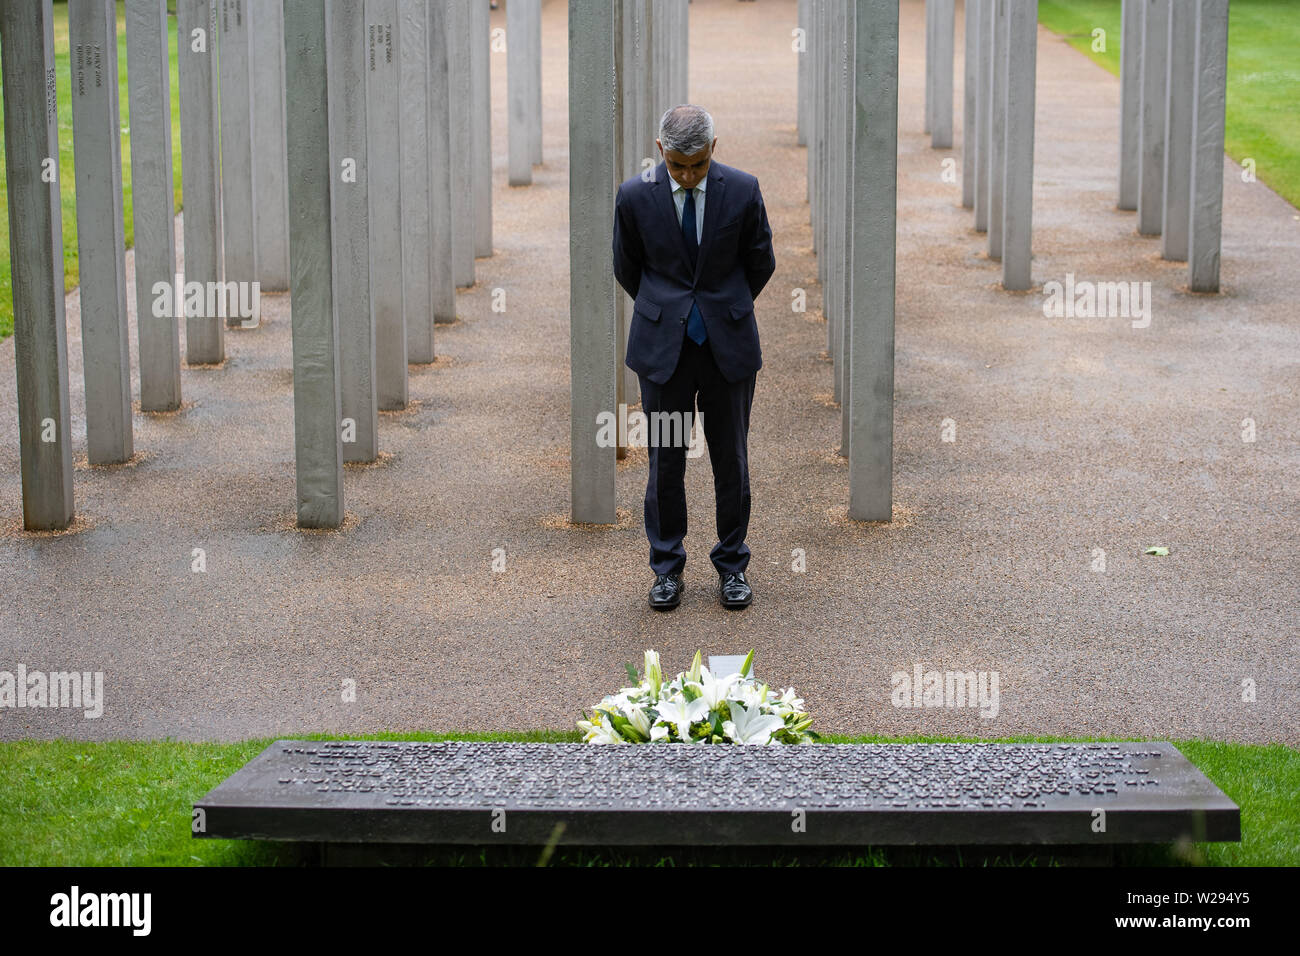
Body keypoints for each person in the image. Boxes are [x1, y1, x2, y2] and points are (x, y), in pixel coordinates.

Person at [612, 104, 776, 611]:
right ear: (661, 151)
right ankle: (666, 569)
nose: (687, 175)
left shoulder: (743, 190)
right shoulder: (635, 195)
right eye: (678, 165)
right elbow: (627, 268)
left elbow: (760, 261)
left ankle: (732, 567)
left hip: (727, 347)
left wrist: (722, 308)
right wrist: (670, 311)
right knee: (665, 461)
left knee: (732, 461)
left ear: (713, 149)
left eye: (698, 165)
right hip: (664, 353)